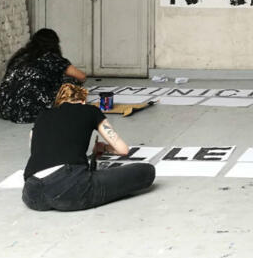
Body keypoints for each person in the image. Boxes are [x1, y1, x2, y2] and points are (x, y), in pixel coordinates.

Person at [22, 83, 155, 211]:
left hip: (32, 193)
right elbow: (123, 149)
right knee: (146, 171)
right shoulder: (90, 110)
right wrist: (103, 148)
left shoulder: (43, 116)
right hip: (69, 187)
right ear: (83, 101)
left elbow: (34, 147)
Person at [0, 28, 87, 123]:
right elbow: (81, 76)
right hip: (29, 109)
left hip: (4, 107)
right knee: (70, 81)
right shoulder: (52, 58)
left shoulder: (20, 57)